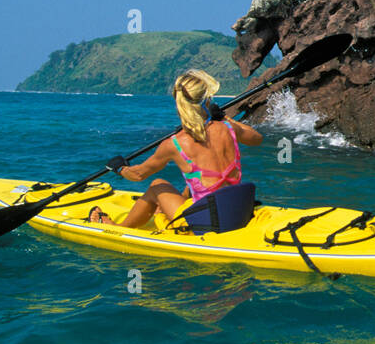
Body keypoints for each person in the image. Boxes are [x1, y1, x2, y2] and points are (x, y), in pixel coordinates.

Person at [89, 69, 262, 230]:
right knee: (195, 181)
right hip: (237, 211)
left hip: (209, 222)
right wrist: (225, 118)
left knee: (157, 185)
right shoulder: (228, 128)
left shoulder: (175, 144)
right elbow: (256, 139)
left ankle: (119, 228)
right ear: (207, 100)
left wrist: (120, 168)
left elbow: (138, 175)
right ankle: (164, 207)